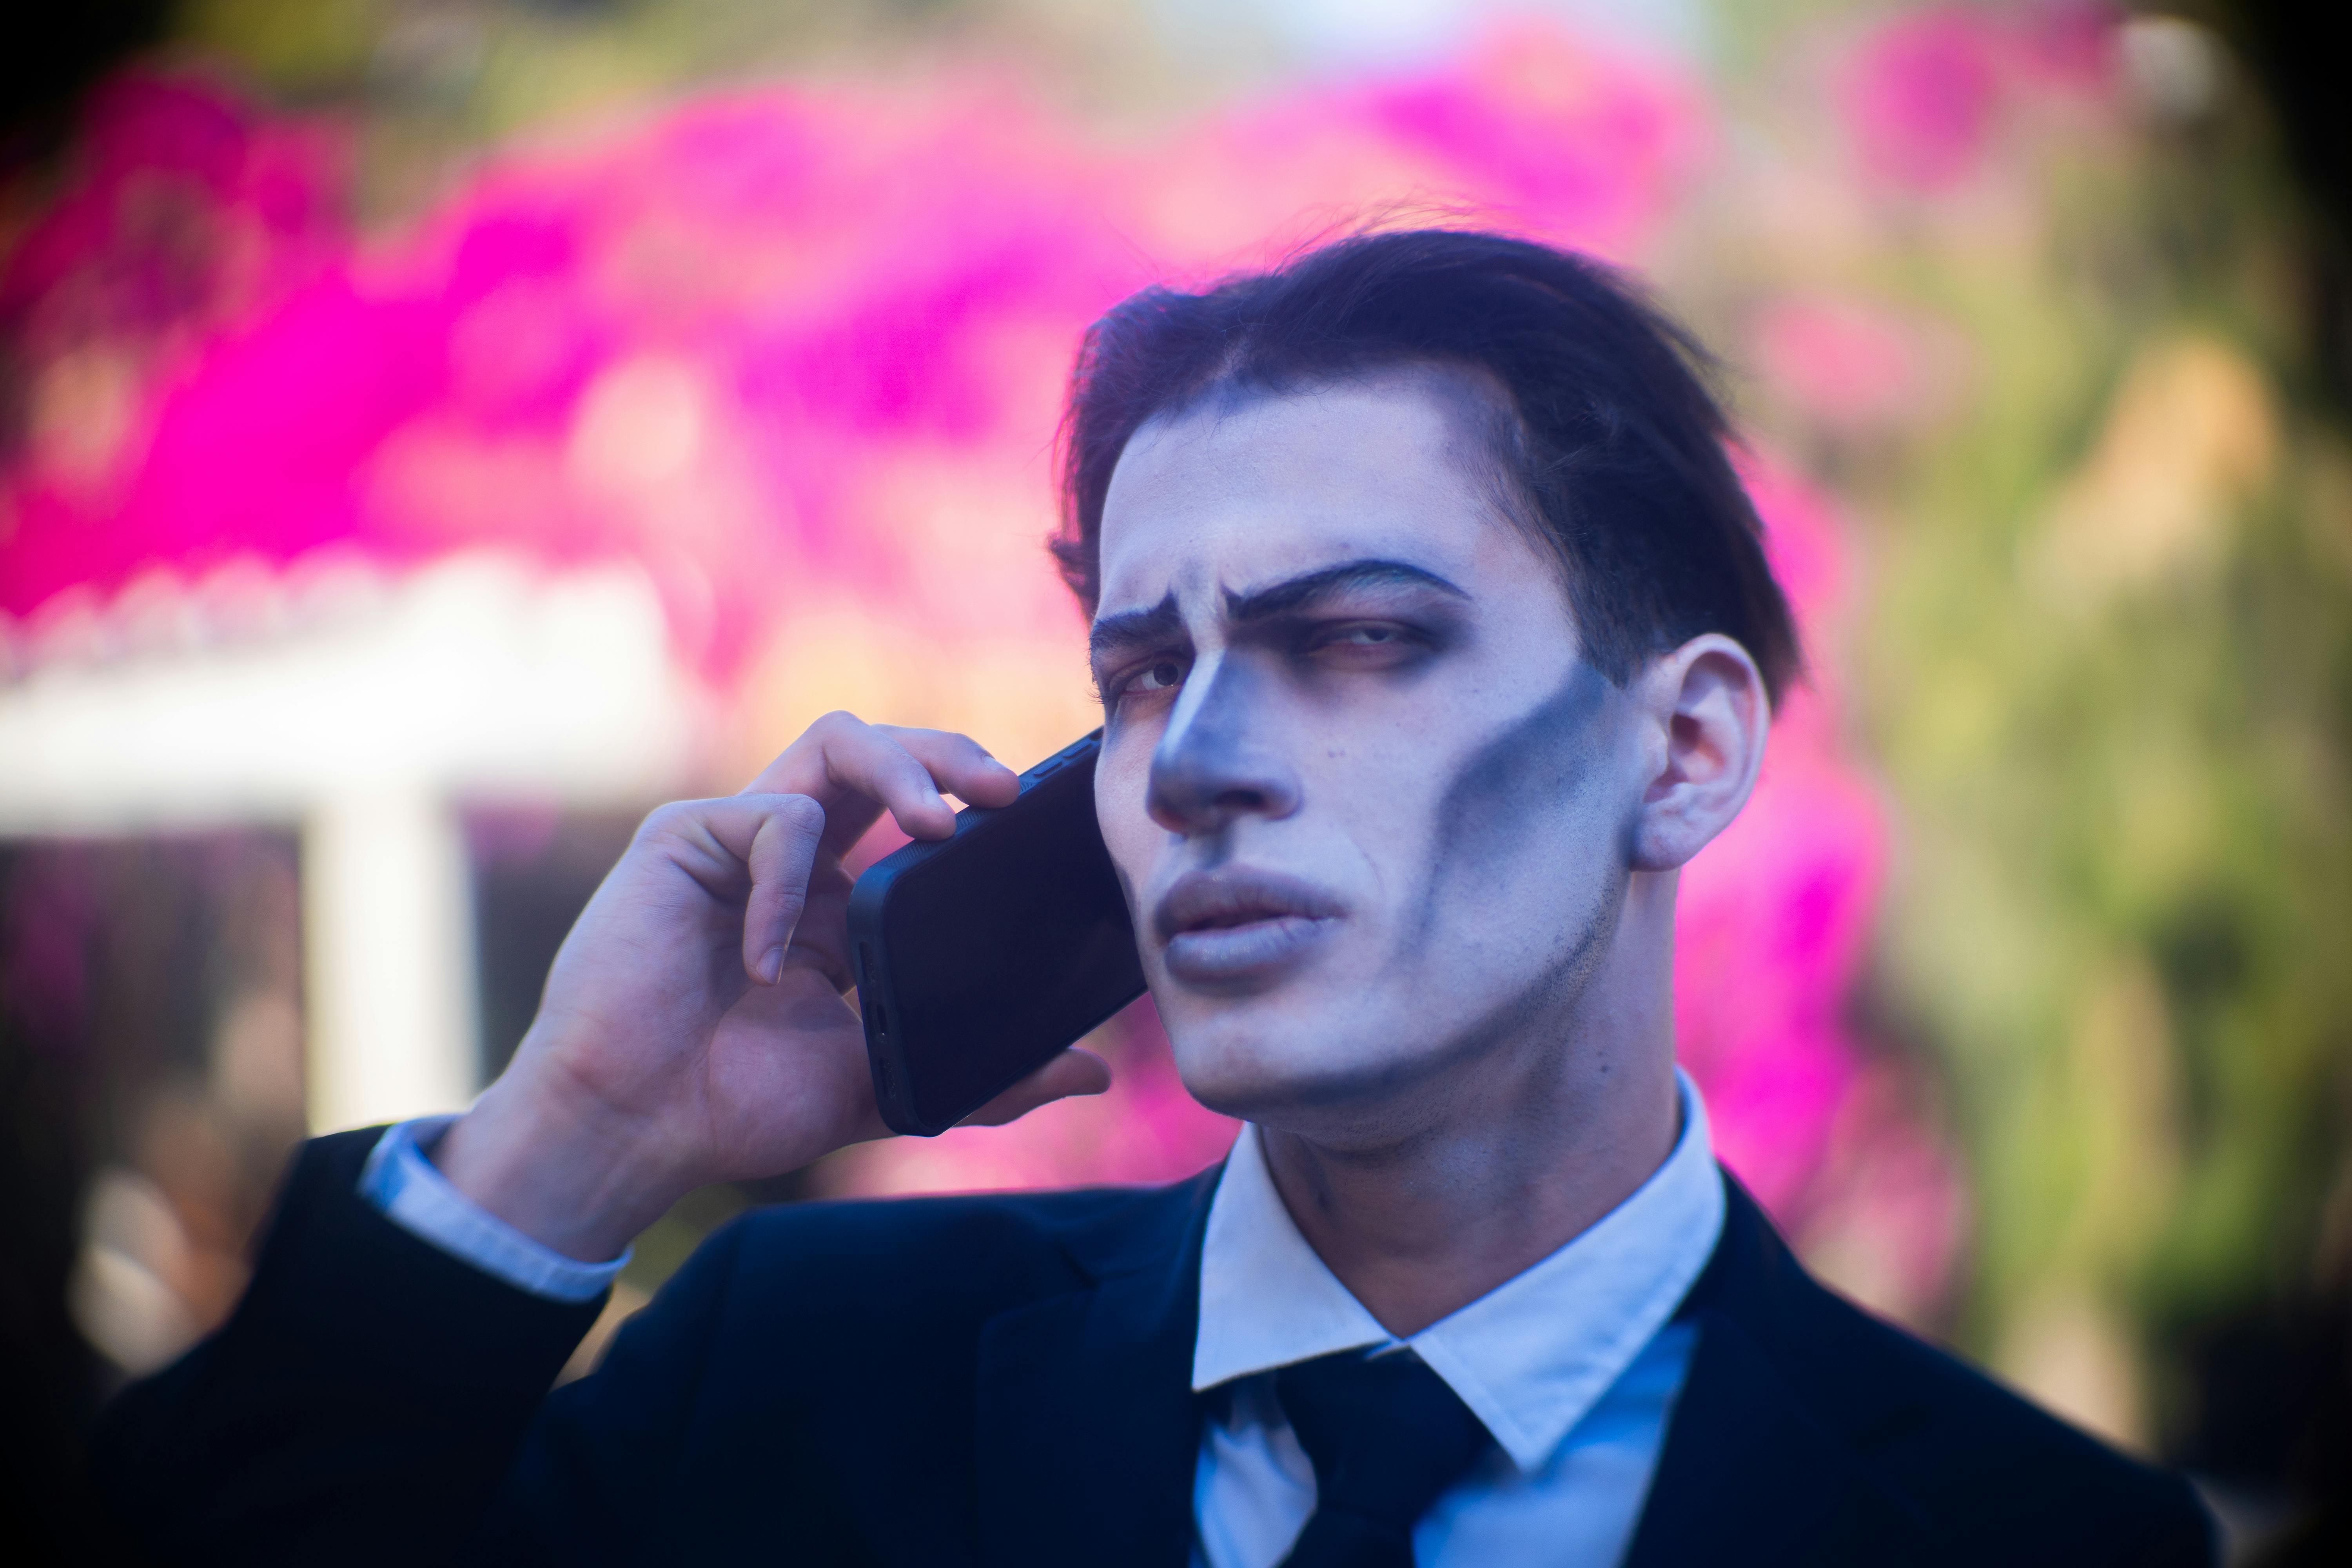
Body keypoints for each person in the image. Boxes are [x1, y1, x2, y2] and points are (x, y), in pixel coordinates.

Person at [94, 229, 2214, 1567]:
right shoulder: (784, 1388)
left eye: (1359, 640)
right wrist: (581, 1140)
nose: (1188, 756)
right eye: (1139, 669)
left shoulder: (2033, 1537)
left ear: (1685, 752)